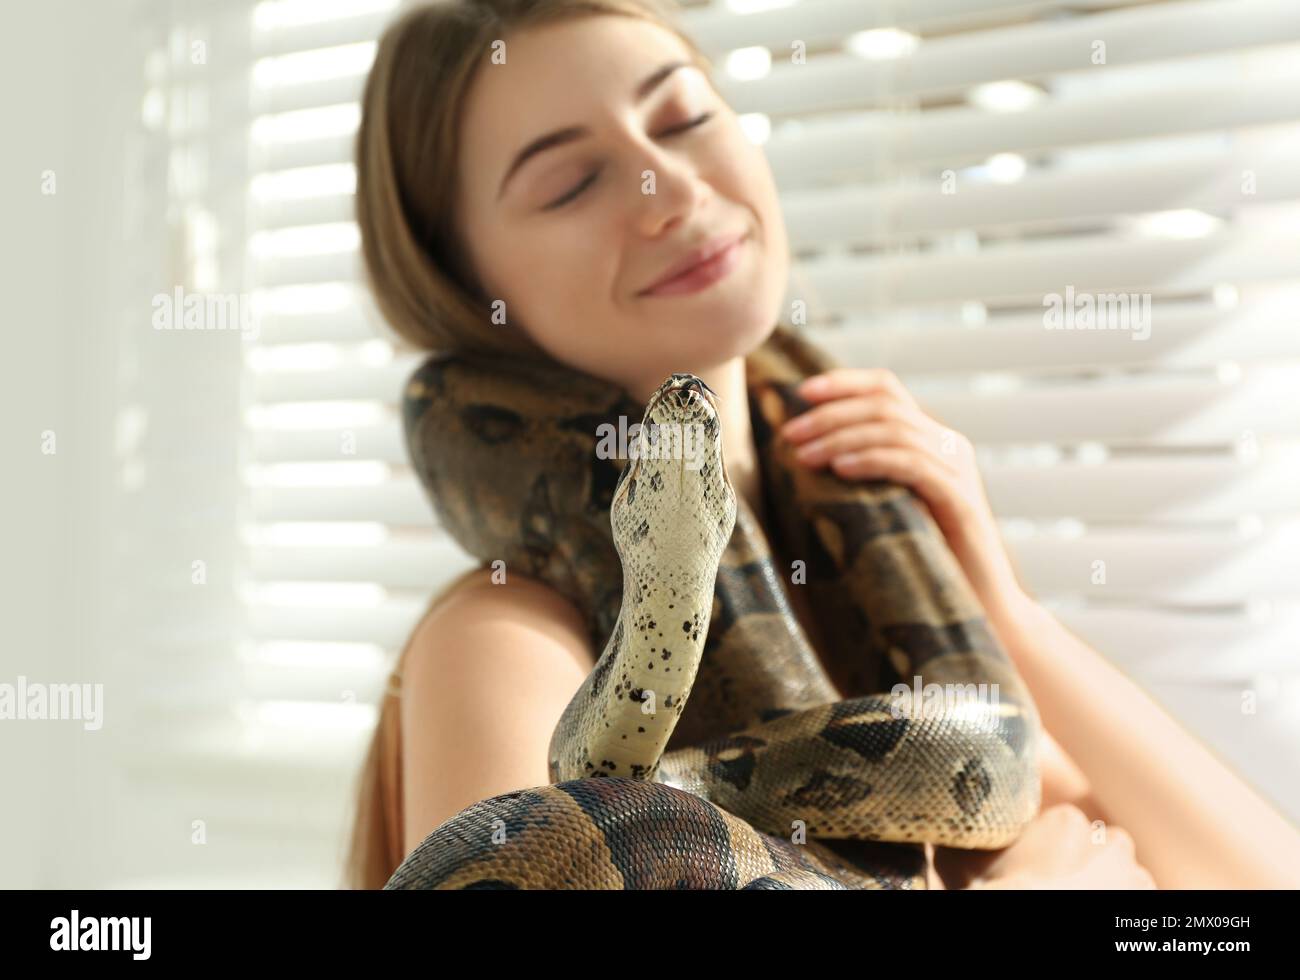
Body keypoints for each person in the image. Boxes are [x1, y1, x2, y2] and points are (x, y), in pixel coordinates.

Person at [343, 0, 1300, 890]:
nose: (670, 188)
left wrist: (1005, 615)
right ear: (465, 287)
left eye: (682, 121)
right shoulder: (503, 639)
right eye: (572, 182)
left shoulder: (862, 606)